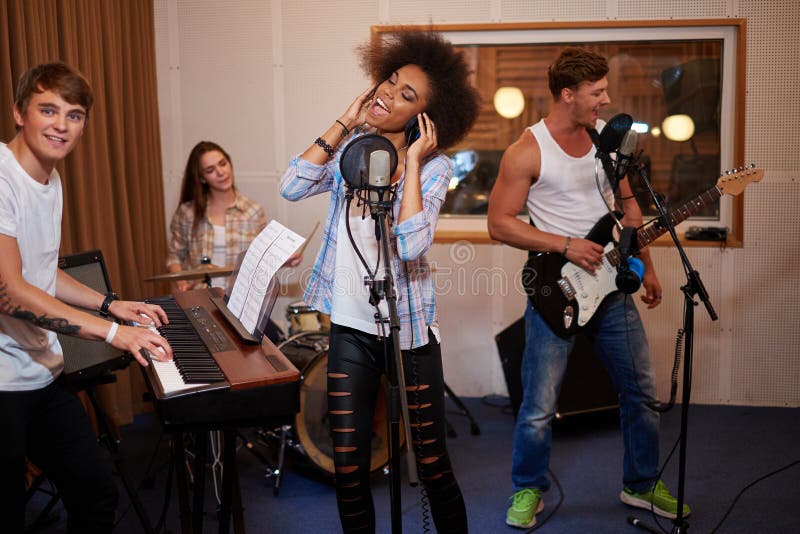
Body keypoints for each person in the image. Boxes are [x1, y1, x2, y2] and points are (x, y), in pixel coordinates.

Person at [280, 31, 480, 533]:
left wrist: (409, 163)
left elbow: (410, 245)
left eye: (406, 95)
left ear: (424, 118)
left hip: (408, 334)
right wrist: (345, 121)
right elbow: (292, 185)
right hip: (351, 327)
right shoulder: (350, 149)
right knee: (349, 468)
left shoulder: (435, 168)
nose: (388, 93)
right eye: (389, 81)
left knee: (431, 465)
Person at [487, 47, 690, 528]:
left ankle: (641, 484)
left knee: (641, 394)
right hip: (557, 288)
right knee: (539, 406)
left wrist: (647, 267)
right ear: (567, 94)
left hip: (613, 288)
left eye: (605, 90)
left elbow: (630, 211)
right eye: (597, 92)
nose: (606, 100)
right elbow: (499, 223)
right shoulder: (527, 150)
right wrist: (566, 244)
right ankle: (528, 489)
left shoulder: (608, 144)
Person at [0, 62, 173, 533]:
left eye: (74, 115)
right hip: (3, 384)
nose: (61, 125)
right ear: (19, 112)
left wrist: (108, 304)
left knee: (95, 493)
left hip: (39, 373)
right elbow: (11, 292)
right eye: (48, 110)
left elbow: (41, 270)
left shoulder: (50, 178)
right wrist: (114, 333)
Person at [166, 140, 268, 292]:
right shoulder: (187, 213)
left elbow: (262, 259)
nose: (221, 172)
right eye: (210, 170)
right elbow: (174, 257)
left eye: (223, 163)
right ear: (202, 178)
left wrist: (285, 259)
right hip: (201, 298)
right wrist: (180, 281)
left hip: (241, 297)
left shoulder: (253, 211)